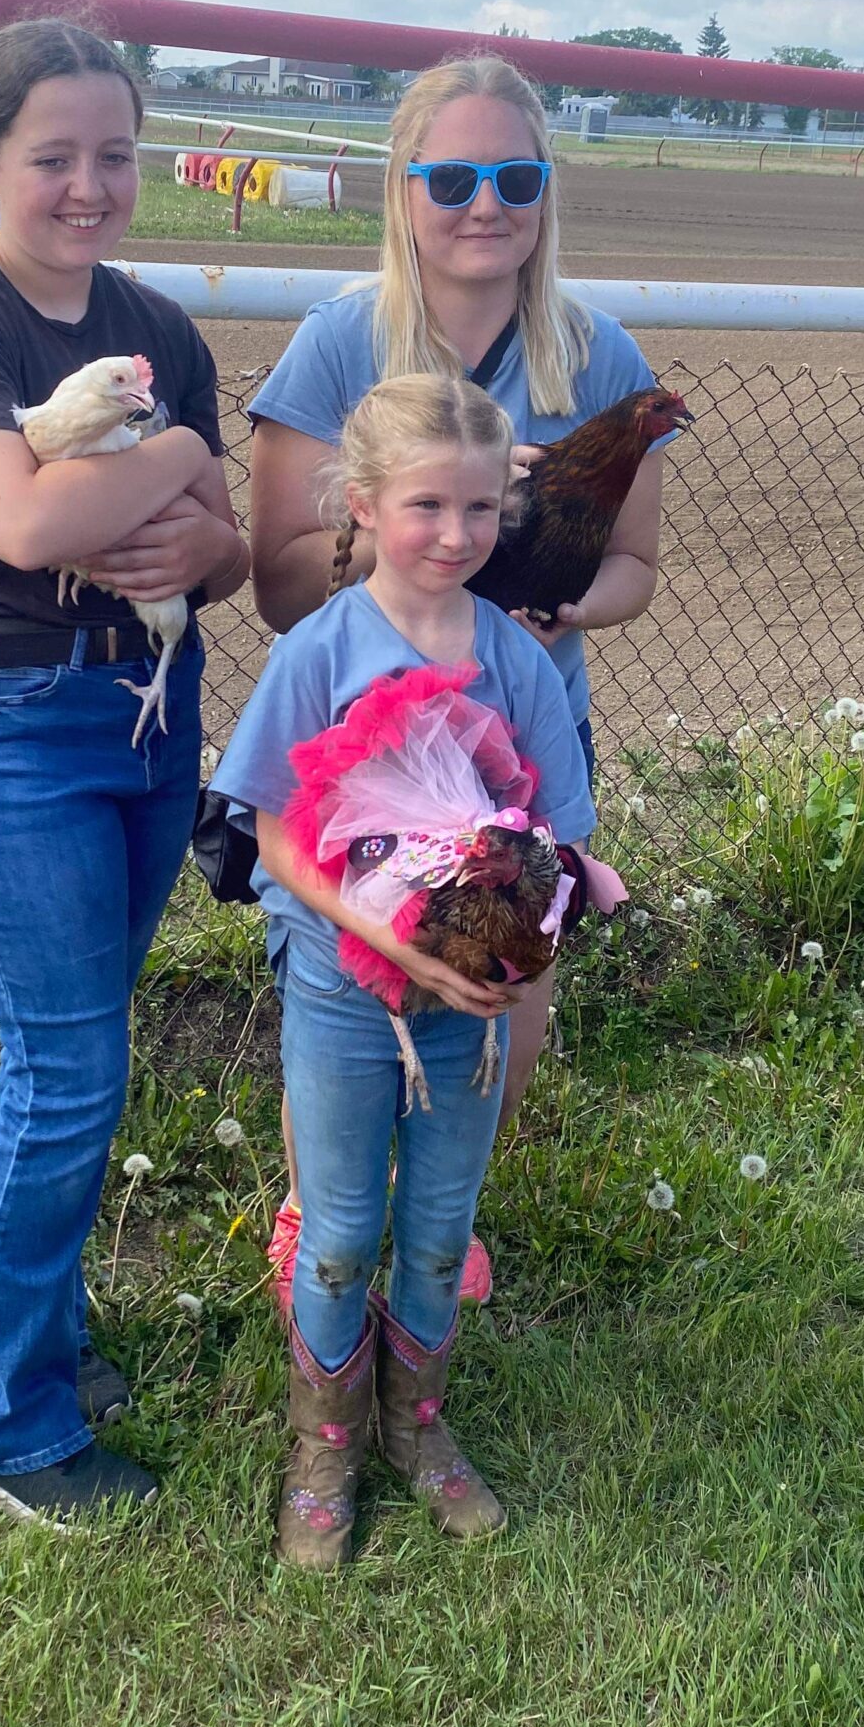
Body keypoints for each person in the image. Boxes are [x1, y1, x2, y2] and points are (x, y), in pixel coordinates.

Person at [0, 17, 250, 1527]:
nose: (89, 185)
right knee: (66, 1070)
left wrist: (194, 536)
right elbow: (25, 530)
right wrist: (167, 473)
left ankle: (38, 1342)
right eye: (53, 158)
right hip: (10, 722)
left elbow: (227, 549)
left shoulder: (161, 324)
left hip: (146, 721)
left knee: (82, 1059)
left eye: (115, 154)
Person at [248, 53, 680, 1307]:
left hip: (519, 738)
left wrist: (551, 599)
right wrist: (433, 542)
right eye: (451, 178)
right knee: (343, 968)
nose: (483, 203)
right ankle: (316, 1201)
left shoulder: (599, 355)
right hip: (370, 754)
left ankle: (444, 1203)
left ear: (547, 191)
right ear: (403, 192)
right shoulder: (342, 342)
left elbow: (637, 566)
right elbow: (281, 583)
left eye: (515, 176)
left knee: (511, 966)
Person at [212, 375, 596, 1568]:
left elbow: (560, 835)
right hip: (343, 987)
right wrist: (385, 932)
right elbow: (274, 834)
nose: (455, 534)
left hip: (466, 1011)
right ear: (365, 504)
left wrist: (515, 953)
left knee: (438, 1225)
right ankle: (322, 1443)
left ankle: (415, 1423)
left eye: (481, 510)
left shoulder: (519, 666)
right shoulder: (321, 650)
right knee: (337, 1228)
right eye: (427, 504)